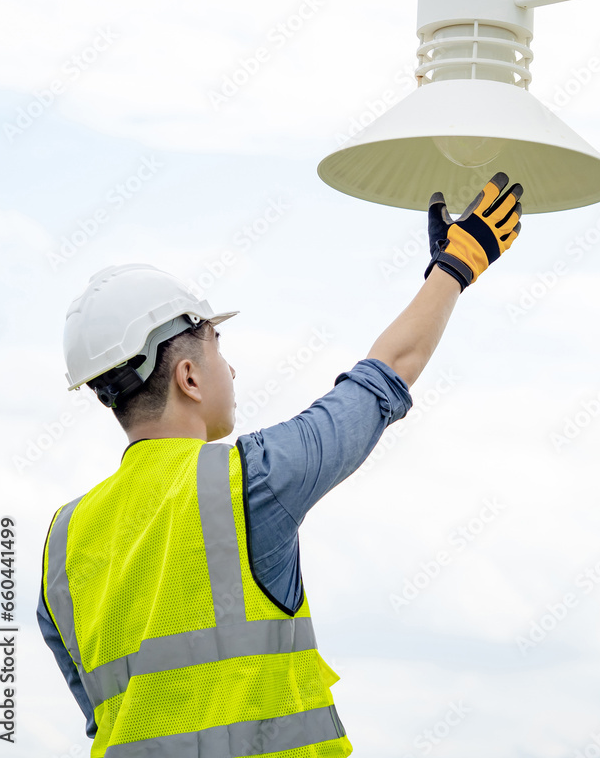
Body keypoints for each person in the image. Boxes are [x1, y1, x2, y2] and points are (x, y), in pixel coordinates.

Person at [37, 172, 523, 757]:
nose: (231, 370)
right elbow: (386, 373)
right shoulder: (247, 481)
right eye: (218, 346)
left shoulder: (60, 545)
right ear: (189, 377)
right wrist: (457, 265)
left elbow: (103, 719)